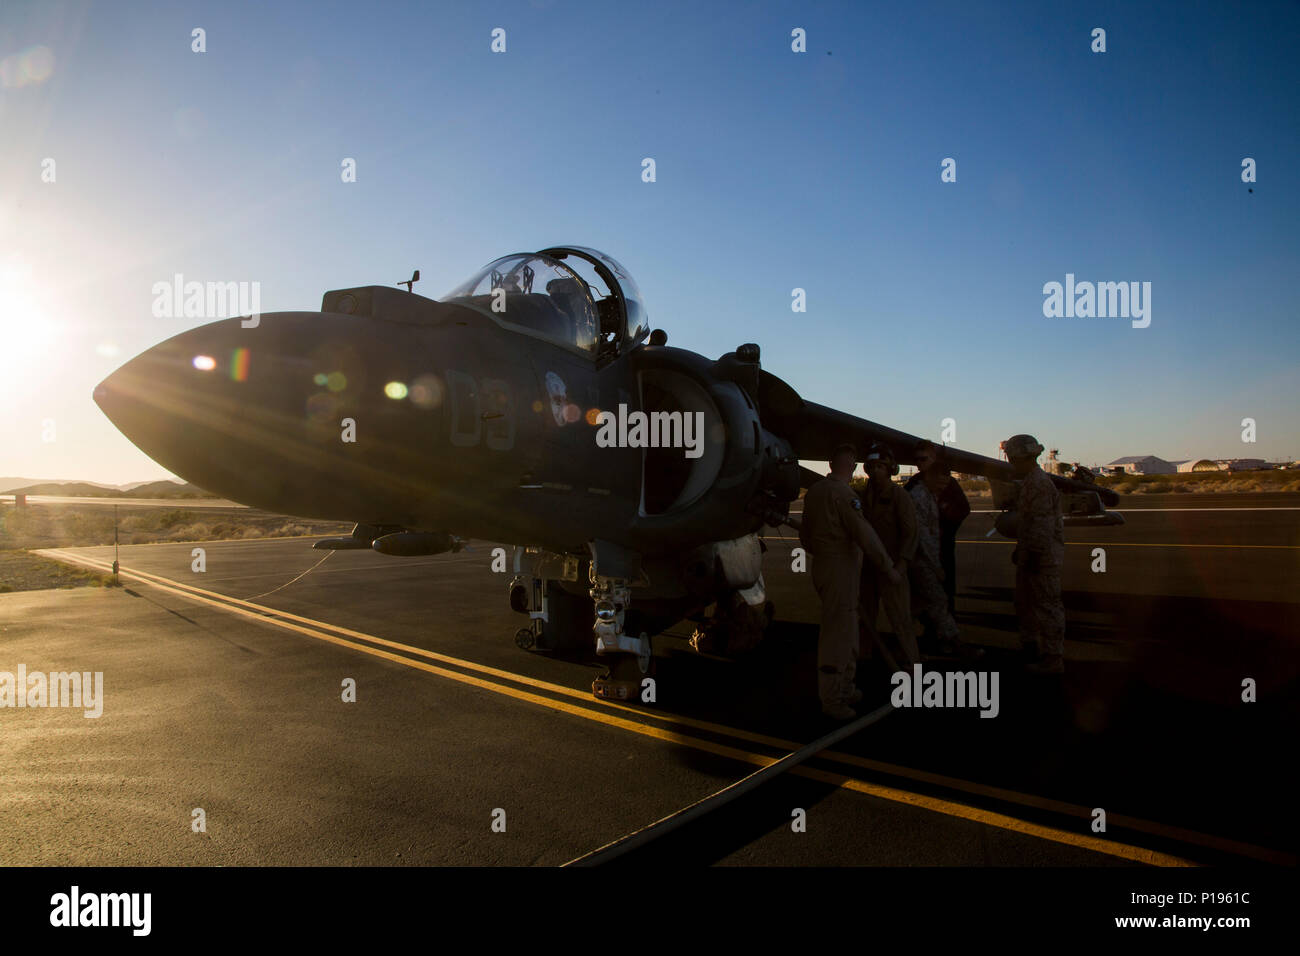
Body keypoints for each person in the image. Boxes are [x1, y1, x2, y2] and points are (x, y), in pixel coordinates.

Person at [799, 443, 902, 720]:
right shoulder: (844, 495)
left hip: (824, 565)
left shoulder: (815, 492)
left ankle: (846, 686)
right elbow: (864, 534)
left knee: (847, 629)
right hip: (840, 568)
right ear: (853, 467)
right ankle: (833, 700)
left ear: (830, 465)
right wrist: (888, 567)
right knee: (838, 636)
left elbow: (805, 538)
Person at [908, 448, 981, 659]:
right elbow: (923, 537)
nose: (942, 488)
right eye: (939, 484)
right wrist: (936, 566)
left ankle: (916, 647)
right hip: (922, 560)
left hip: (929, 556)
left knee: (920, 605)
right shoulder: (919, 495)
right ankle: (952, 643)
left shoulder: (929, 492)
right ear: (930, 477)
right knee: (938, 602)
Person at [1005, 434, 1067, 674]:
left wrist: (1031, 555)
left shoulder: (1038, 483)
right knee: (1026, 603)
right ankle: (1031, 648)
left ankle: (1053, 659)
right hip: (1032, 553)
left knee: (1048, 606)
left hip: (1041, 557)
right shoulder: (1032, 480)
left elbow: (1041, 525)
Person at [858, 443, 920, 666]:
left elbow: (911, 534)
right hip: (868, 568)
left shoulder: (899, 496)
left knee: (900, 618)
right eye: (872, 466)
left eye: (881, 466)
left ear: (890, 469)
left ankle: (912, 663)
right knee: (865, 616)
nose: (876, 471)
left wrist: (900, 567)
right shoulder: (864, 496)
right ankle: (863, 655)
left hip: (893, 568)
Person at [905, 440, 970, 614]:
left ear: (933, 458)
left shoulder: (949, 483)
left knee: (945, 595)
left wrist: (942, 526)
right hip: (920, 552)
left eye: (923, 459)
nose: (919, 464)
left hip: (943, 548)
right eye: (916, 460)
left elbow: (963, 509)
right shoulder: (914, 484)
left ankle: (945, 631)